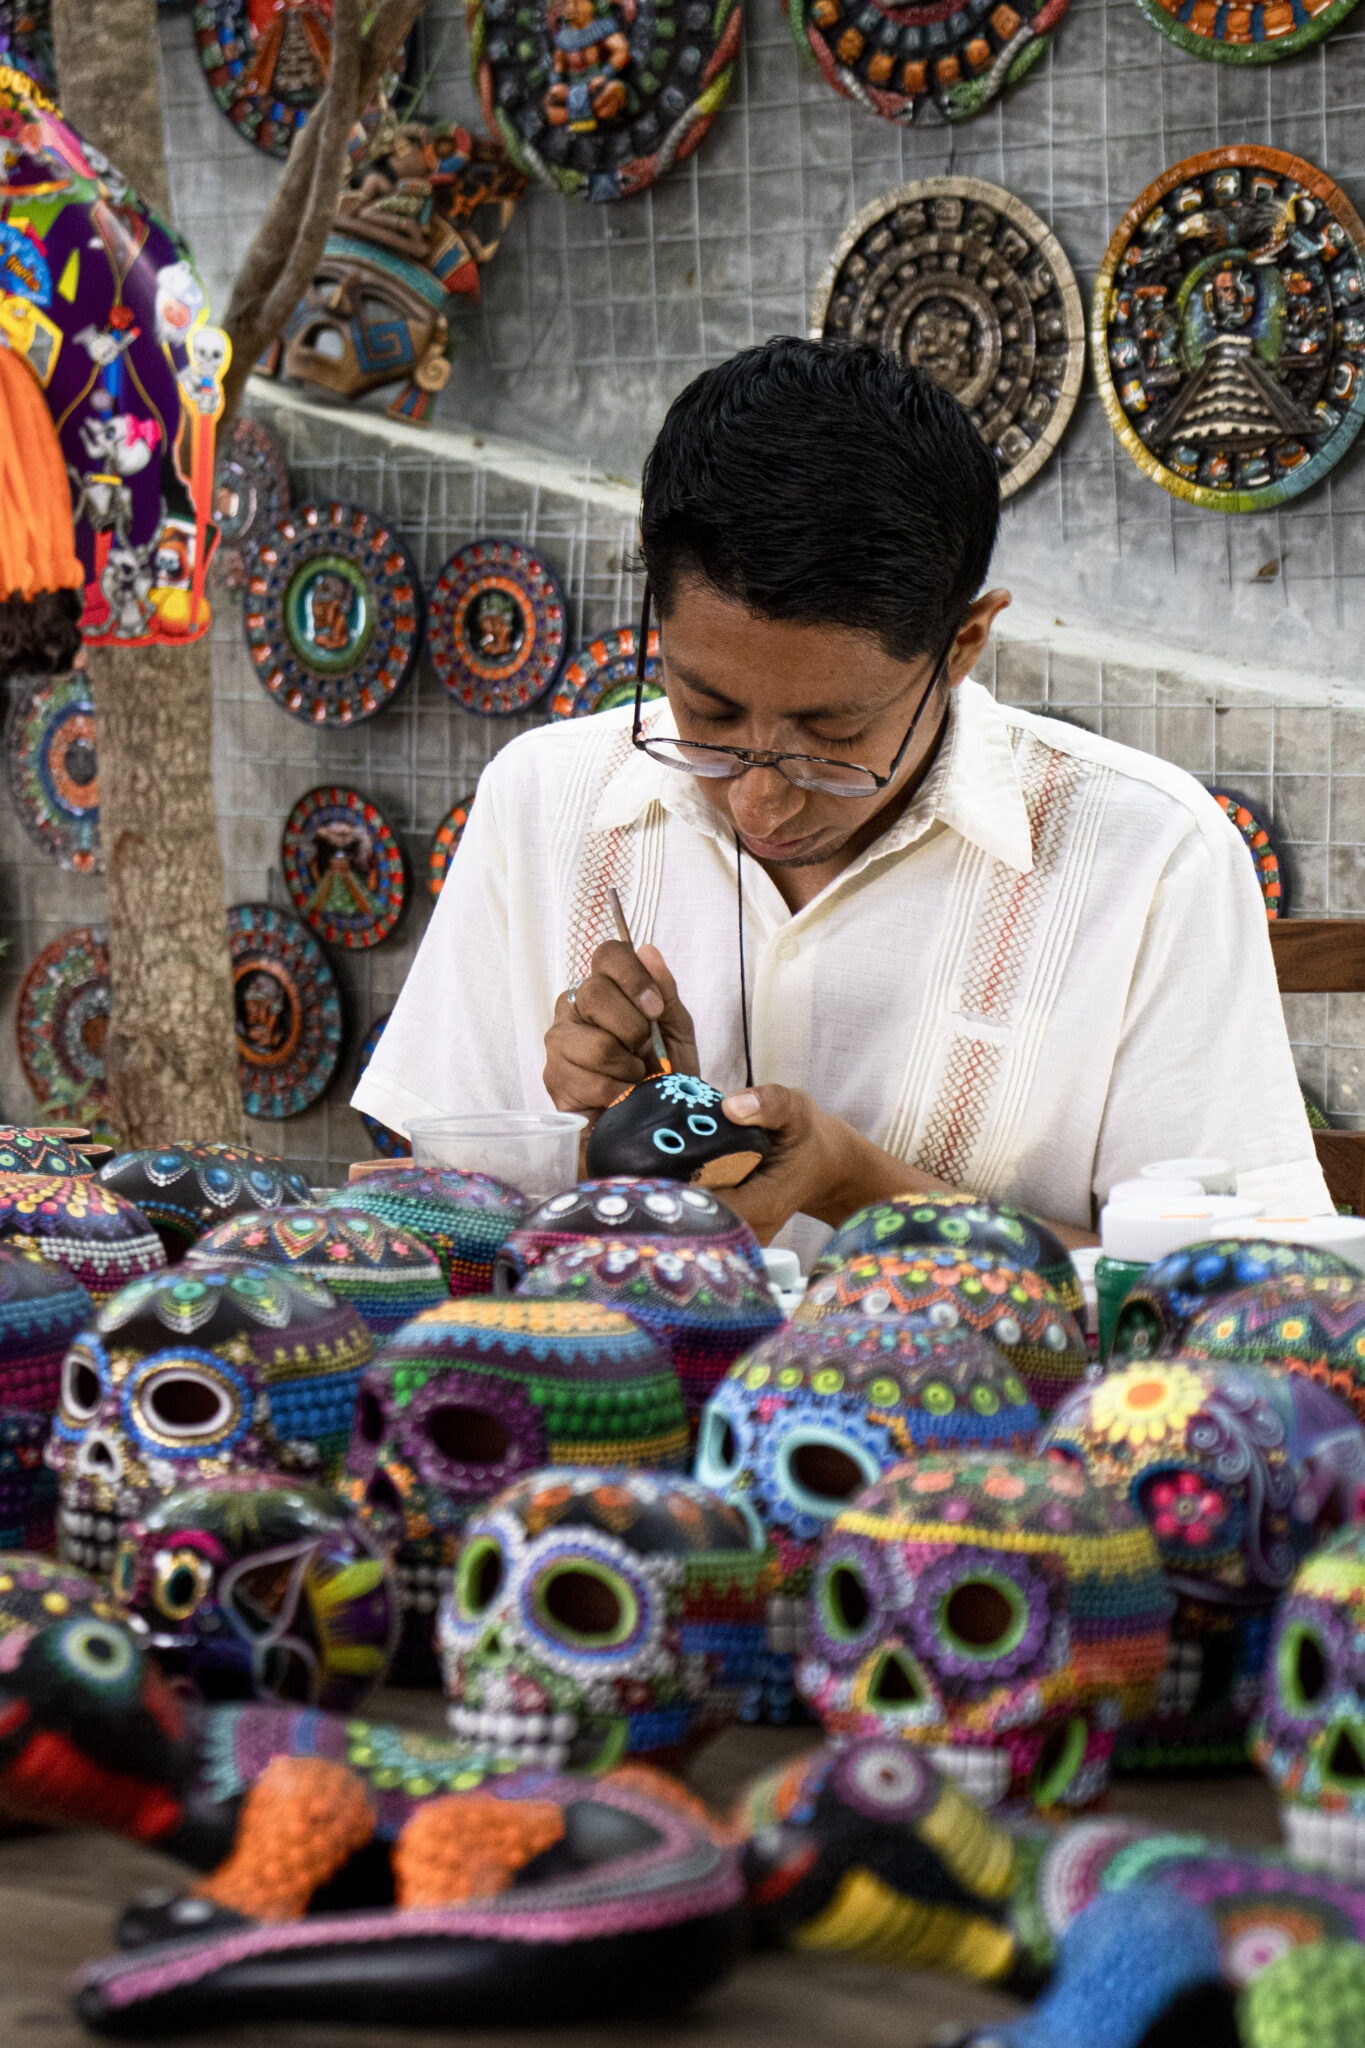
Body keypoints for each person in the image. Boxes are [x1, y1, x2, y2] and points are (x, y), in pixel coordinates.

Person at [354, 337, 1328, 1259]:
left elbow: (1237, 1300)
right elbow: (425, 1215)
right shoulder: (548, 797)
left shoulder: (1151, 859)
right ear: (654, 614)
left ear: (963, 645)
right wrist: (596, 1146)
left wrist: (856, 1183)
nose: (762, 802)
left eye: (833, 736)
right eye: (708, 710)